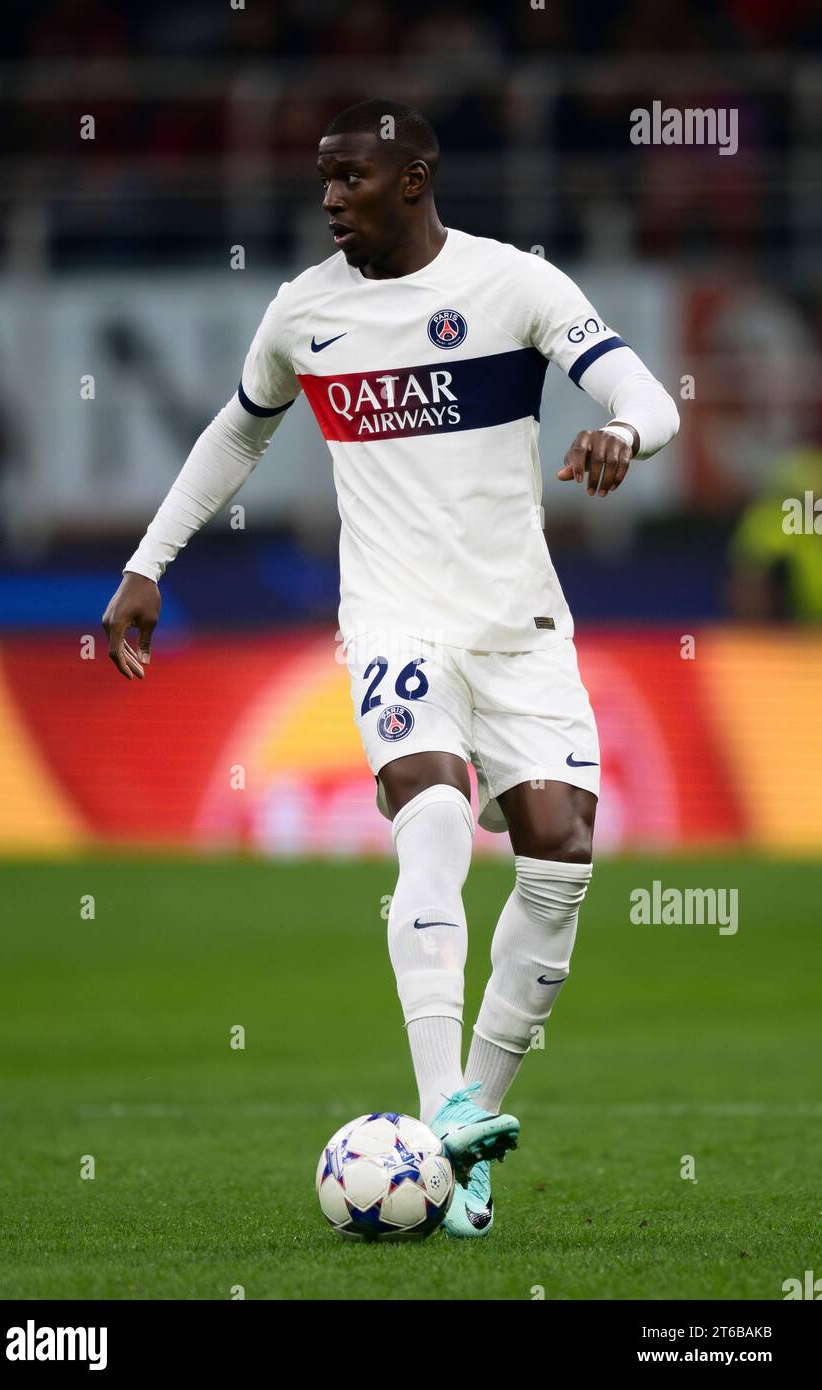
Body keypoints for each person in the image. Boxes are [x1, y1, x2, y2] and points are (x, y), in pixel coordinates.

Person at [102, 99, 679, 1238]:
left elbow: (641, 392)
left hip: (517, 623)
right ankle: (435, 1108)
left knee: (560, 852)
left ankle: (469, 1139)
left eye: (348, 179)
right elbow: (238, 431)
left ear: (412, 179)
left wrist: (623, 434)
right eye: (321, 180)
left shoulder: (515, 285)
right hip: (392, 620)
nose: (327, 201)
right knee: (430, 807)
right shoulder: (304, 313)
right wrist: (146, 563)